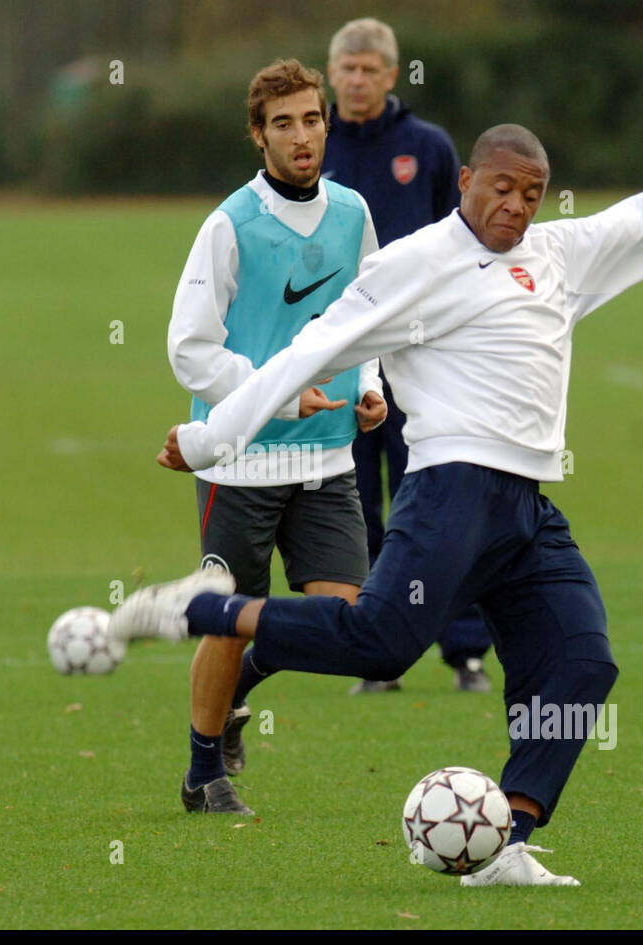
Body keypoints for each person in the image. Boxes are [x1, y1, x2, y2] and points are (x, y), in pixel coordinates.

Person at [112, 98, 643, 884]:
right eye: (501, 188)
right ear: (465, 181)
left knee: (581, 663)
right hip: (450, 489)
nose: (515, 206)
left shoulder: (559, 254)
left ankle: (511, 843)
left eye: (531, 193)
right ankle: (197, 609)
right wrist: (210, 438)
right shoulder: (416, 264)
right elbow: (307, 351)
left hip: (526, 507)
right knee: (383, 643)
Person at [167, 58, 385, 814]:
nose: (302, 136)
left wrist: (374, 391)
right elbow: (188, 350)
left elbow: (371, 319)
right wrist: (281, 399)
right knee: (226, 624)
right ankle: (203, 773)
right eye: (284, 123)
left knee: (345, 620)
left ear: (328, 124)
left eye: (312, 119)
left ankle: (235, 695)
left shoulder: (355, 214)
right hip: (240, 462)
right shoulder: (230, 224)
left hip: (328, 461)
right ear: (257, 135)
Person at [323, 17, 493, 694]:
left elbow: (466, 241)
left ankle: (466, 650)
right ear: (331, 73)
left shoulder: (427, 149)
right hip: (345, 354)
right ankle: (377, 655)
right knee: (356, 504)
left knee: (440, 498)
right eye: (348, 69)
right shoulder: (313, 146)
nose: (358, 80)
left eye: (371, 70)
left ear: (392, 76)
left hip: (423, 356)